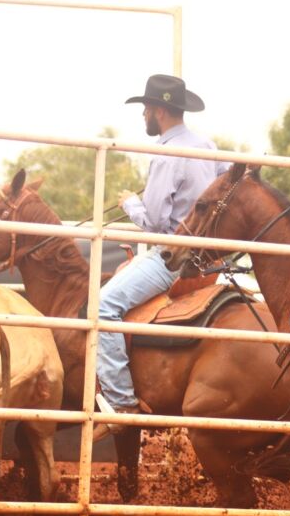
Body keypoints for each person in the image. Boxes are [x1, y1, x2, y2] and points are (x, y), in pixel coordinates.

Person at [94, 74, 224, 440]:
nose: (144, 116)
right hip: (209, 258)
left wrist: (129, 203)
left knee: (102, 307)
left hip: (172, 256)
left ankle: (121, 402)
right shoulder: (209, 145)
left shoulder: (166, 154)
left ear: (160, 110)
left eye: (147, 108)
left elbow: (153, 223)